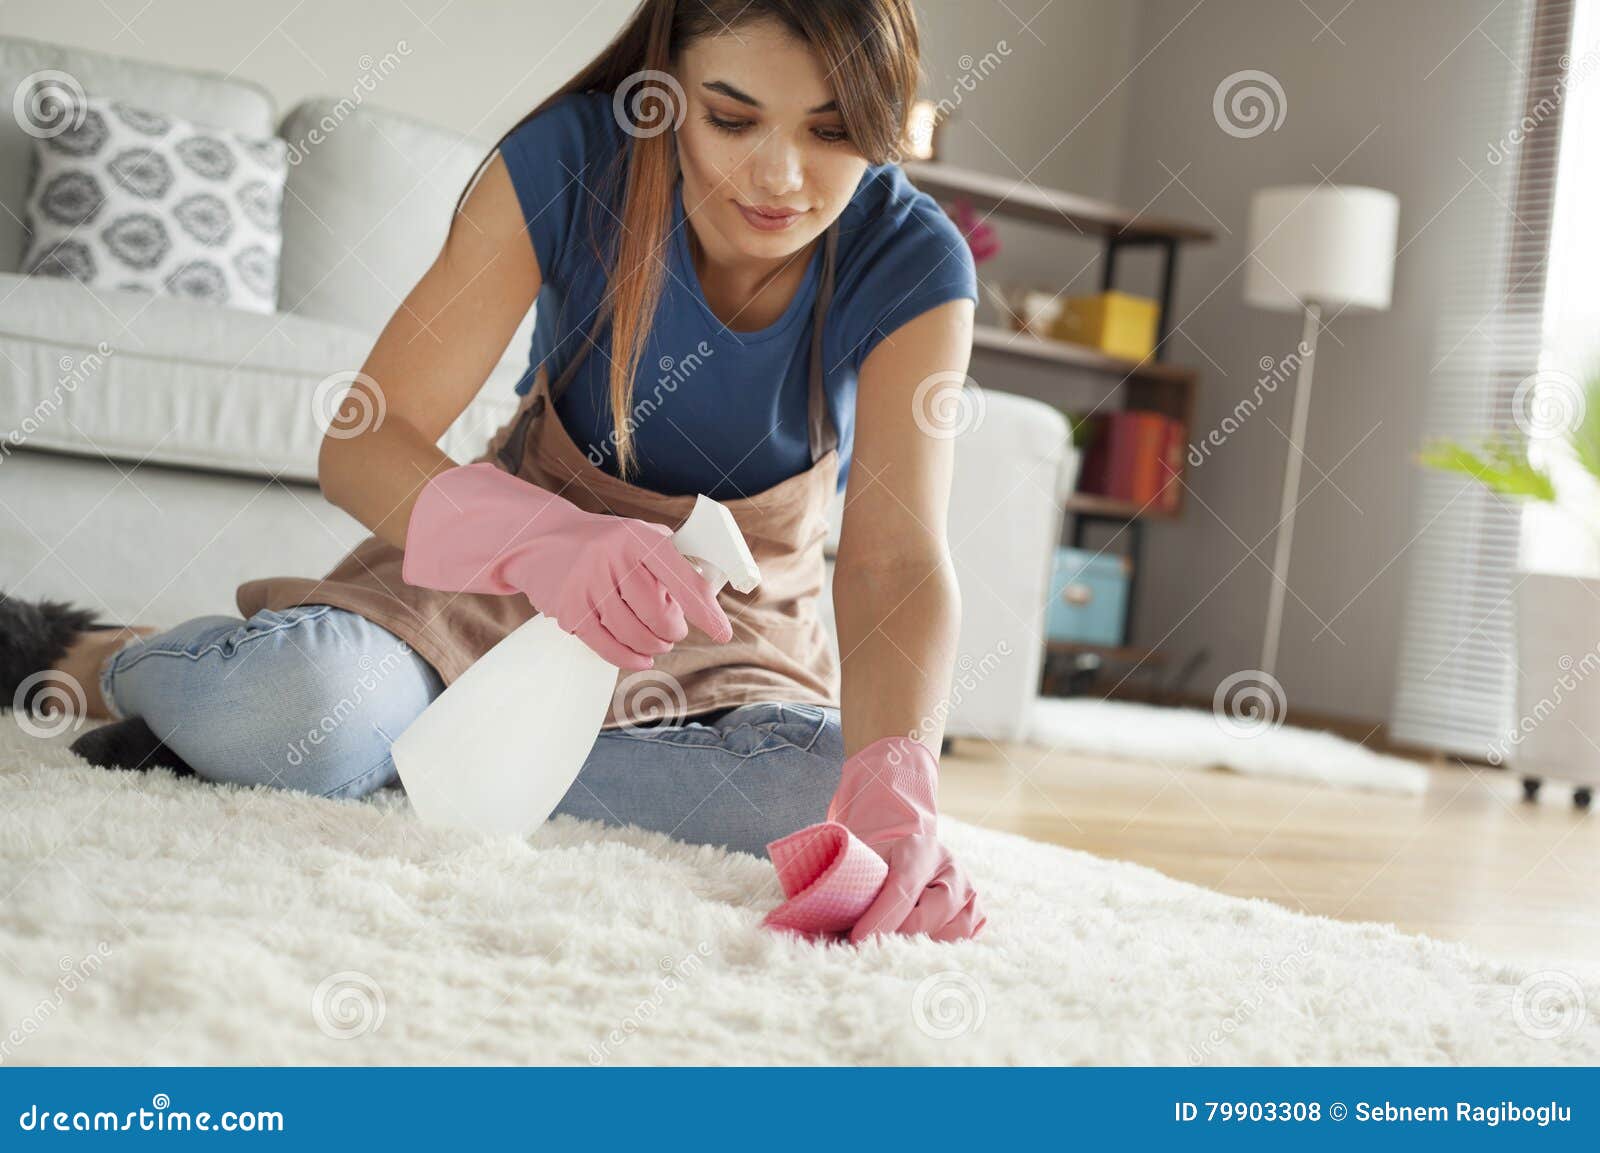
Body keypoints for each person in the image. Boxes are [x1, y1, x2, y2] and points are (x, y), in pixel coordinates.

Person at [2, 0, 985, 941]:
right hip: (500, 582)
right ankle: (102, 655)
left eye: (832, 130)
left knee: (815, 783)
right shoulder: (572, 158)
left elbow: (893, 561)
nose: (780, 176)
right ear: (668, 83)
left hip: (723, 632)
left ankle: (400, 749)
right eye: (732, 118)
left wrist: (897, 769)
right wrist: (546, 541)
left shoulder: (910, 259)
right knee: (296, 704)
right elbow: (362, 438)